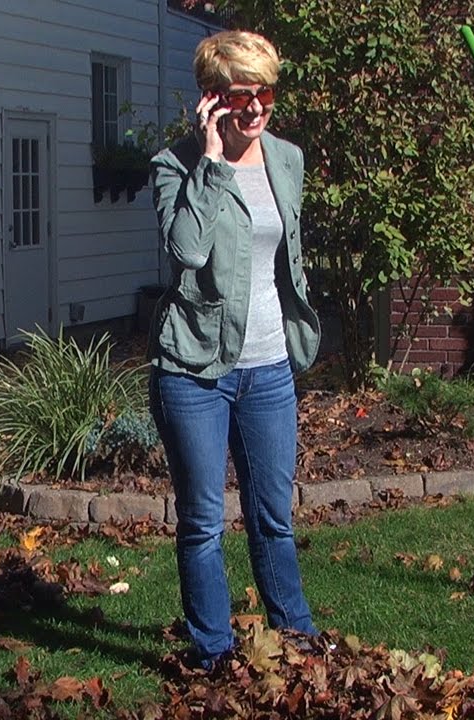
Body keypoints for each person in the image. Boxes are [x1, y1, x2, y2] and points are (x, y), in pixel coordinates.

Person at [146, 29, 321, 668]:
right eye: (239, 97)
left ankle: (296, 634)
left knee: (273, 514)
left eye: (265, 94)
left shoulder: (287, 158)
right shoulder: (175, 166)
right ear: (211, 100)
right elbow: (186, 252)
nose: (254, 109)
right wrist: (213, 162)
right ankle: (214, 651)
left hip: (270, 367)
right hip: (193, 368)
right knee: (201, 523)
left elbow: (284, 258)